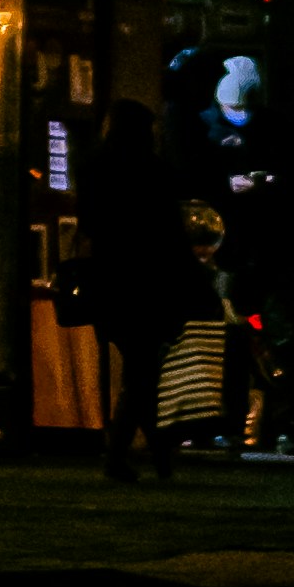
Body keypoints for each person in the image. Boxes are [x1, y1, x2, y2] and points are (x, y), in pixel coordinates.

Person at [74, 96, 193, 482]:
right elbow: (170, 230)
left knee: (139, 370)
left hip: (110, 276)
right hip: (149, 278)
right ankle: (121, 458)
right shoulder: (152, 170)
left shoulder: (94, 168)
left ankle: (153, 459)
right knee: (142, 373)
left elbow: (90, 223)